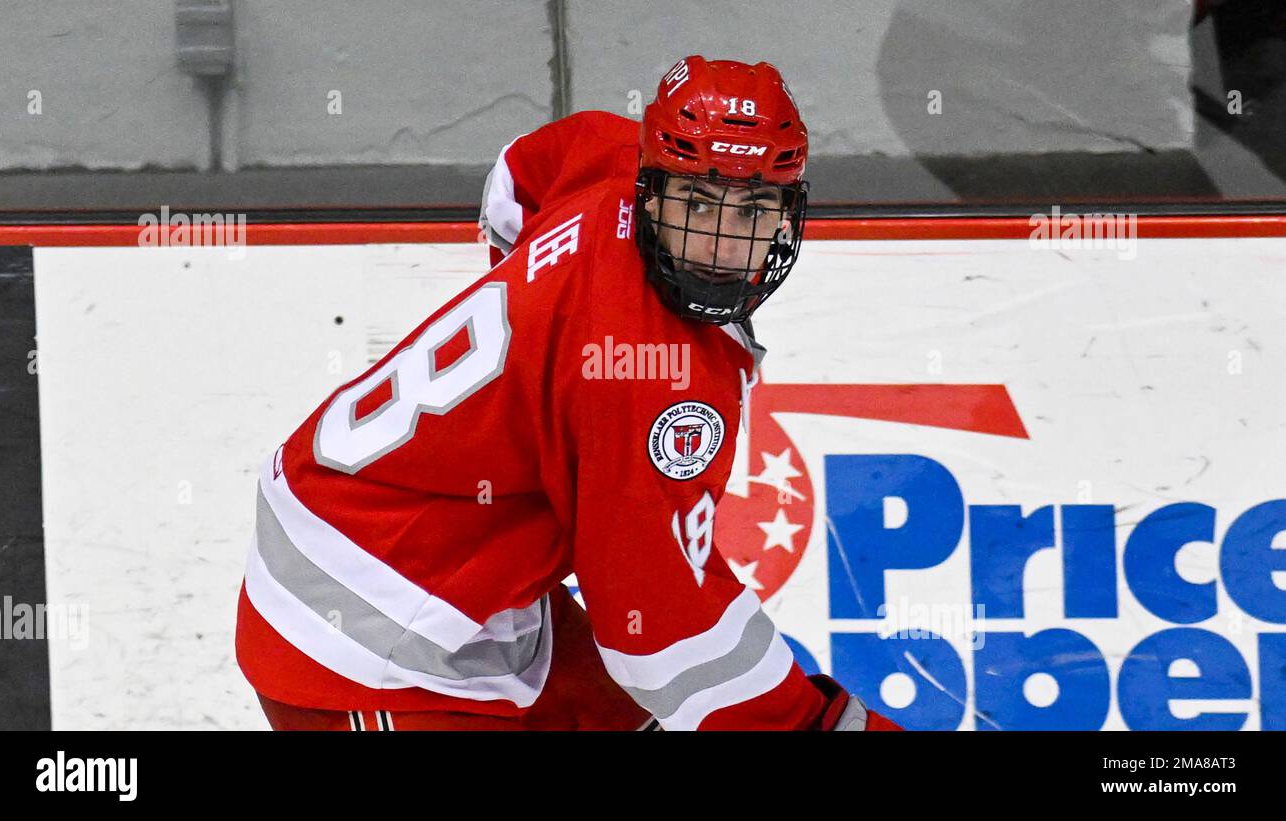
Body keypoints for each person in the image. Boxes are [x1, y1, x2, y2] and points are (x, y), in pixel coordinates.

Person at [235, 55, 903, 731]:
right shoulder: (649, 375)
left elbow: (517, 176)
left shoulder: (609, 154)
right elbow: (662, 631)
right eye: (699, 203)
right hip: (356, 628)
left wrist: (536, 336)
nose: (719, 247)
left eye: (754, 208)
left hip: (435, 555)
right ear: (653, 190)